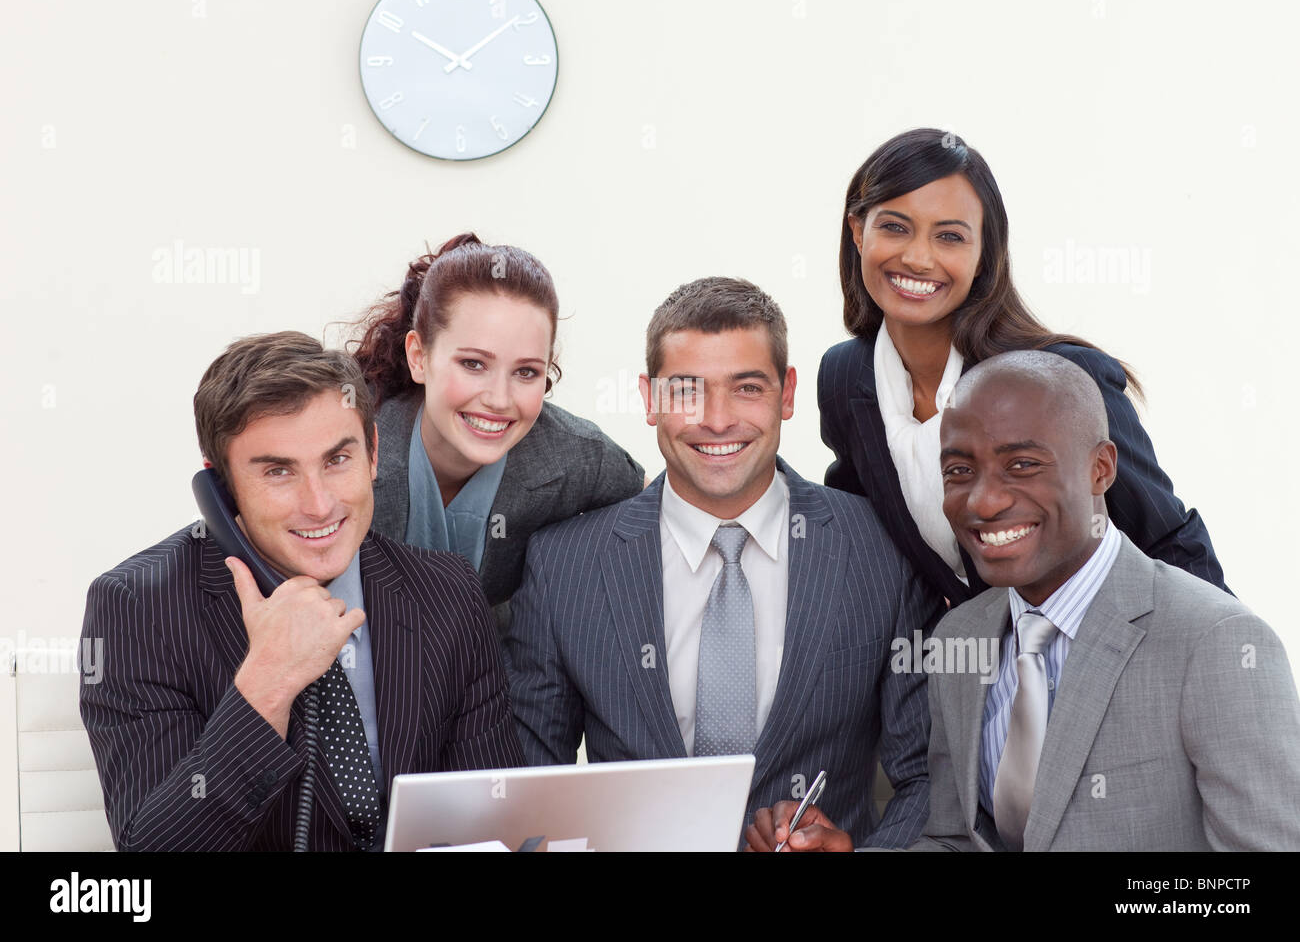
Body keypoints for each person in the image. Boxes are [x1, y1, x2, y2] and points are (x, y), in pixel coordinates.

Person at [746, 351, 1300, 851]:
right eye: (959, 471)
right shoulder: (960, 637)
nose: (983, 501)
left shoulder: (1218, 642)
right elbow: (955, 839)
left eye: (1022, 465)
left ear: (1101, 468)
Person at [504, 277, 945, 848]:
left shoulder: (882, 548)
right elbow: (531, 794)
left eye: (746, 388)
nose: (716, 420)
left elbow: (929, 779)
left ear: (787, 393)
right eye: (686, 390)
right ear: (649, 398)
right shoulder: (564, 567)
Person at [80, 332, 524, 851]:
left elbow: (495, 826)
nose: (318, 505)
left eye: (337, 460)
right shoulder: (139, 608)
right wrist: (268, 683)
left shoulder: (446, 593)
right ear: (223, 491)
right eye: (278, 471)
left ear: (374, 453)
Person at [818, 128, 1226, 610]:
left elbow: (1167, 540)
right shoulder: (846, 376)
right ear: (857, 233)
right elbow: (868, 544)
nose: (918, 257)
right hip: (972, 671)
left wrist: (1225, 668)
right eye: (894, 227)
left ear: (983, 255)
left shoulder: (1064, 376)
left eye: (949, 236)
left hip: (1101, 658)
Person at [349, 233, 645, 633]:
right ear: (419, 357)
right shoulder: (349, 431)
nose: (499, 399)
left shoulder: (574, 456)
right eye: (473, 364)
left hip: (499, 683)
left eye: (526, 372)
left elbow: (658, 516)